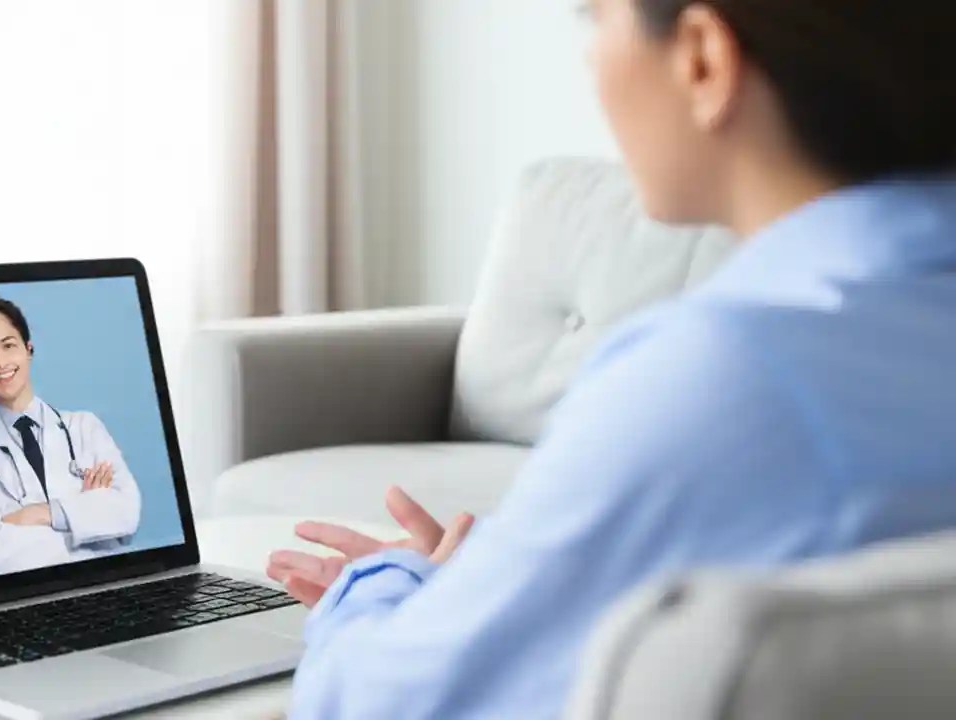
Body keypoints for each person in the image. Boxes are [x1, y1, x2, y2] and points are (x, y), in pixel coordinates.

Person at [268, 0, 956, 717]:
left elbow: (377, 707)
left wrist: (386, 582)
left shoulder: (726, 375)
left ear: (702, 59)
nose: (592, 60)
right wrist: (505, 580)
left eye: (595, 19)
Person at [0, 290, 141, 578]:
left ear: (28, 348)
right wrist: (84, 513)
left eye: (8, 345)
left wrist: (41, 514)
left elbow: (126, 512)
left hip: (108, 590)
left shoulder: (84, 427)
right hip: (31, 605)